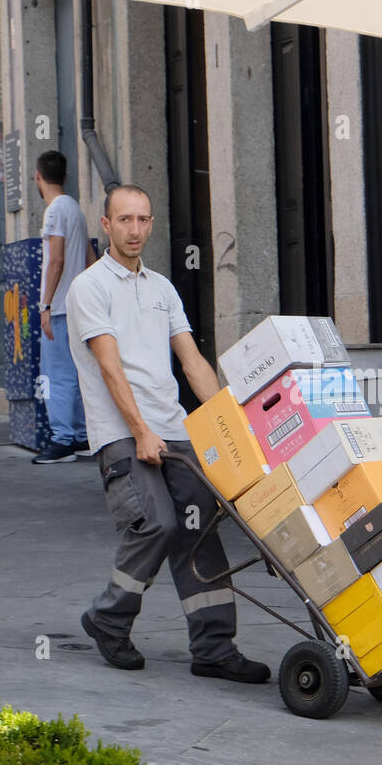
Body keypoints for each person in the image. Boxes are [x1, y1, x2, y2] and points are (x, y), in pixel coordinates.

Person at [65, 184, 269, 684]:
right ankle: (108, 618)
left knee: (199, 528)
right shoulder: (90, 288)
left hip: (174, 428)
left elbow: (192, 361)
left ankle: (215, 648)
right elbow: (111, 368)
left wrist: (230, 424)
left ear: (151, 224)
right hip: (121, 431)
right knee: (156, 523)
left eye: (143, 220)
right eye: (125, 220)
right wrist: (139, 432)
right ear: (106, 225)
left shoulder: (162, 288)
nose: (135, 229)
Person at [32, 151, 95, 463]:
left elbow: (55, 260)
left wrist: (45, 304)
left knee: (57, 374)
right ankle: (84, 436)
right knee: (80, 371)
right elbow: (89, 259)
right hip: (80, 305)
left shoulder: (55, 211)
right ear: (65, 176)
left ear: (37, 176)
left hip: (59, 307)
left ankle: (62, 440)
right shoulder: (76, 209)